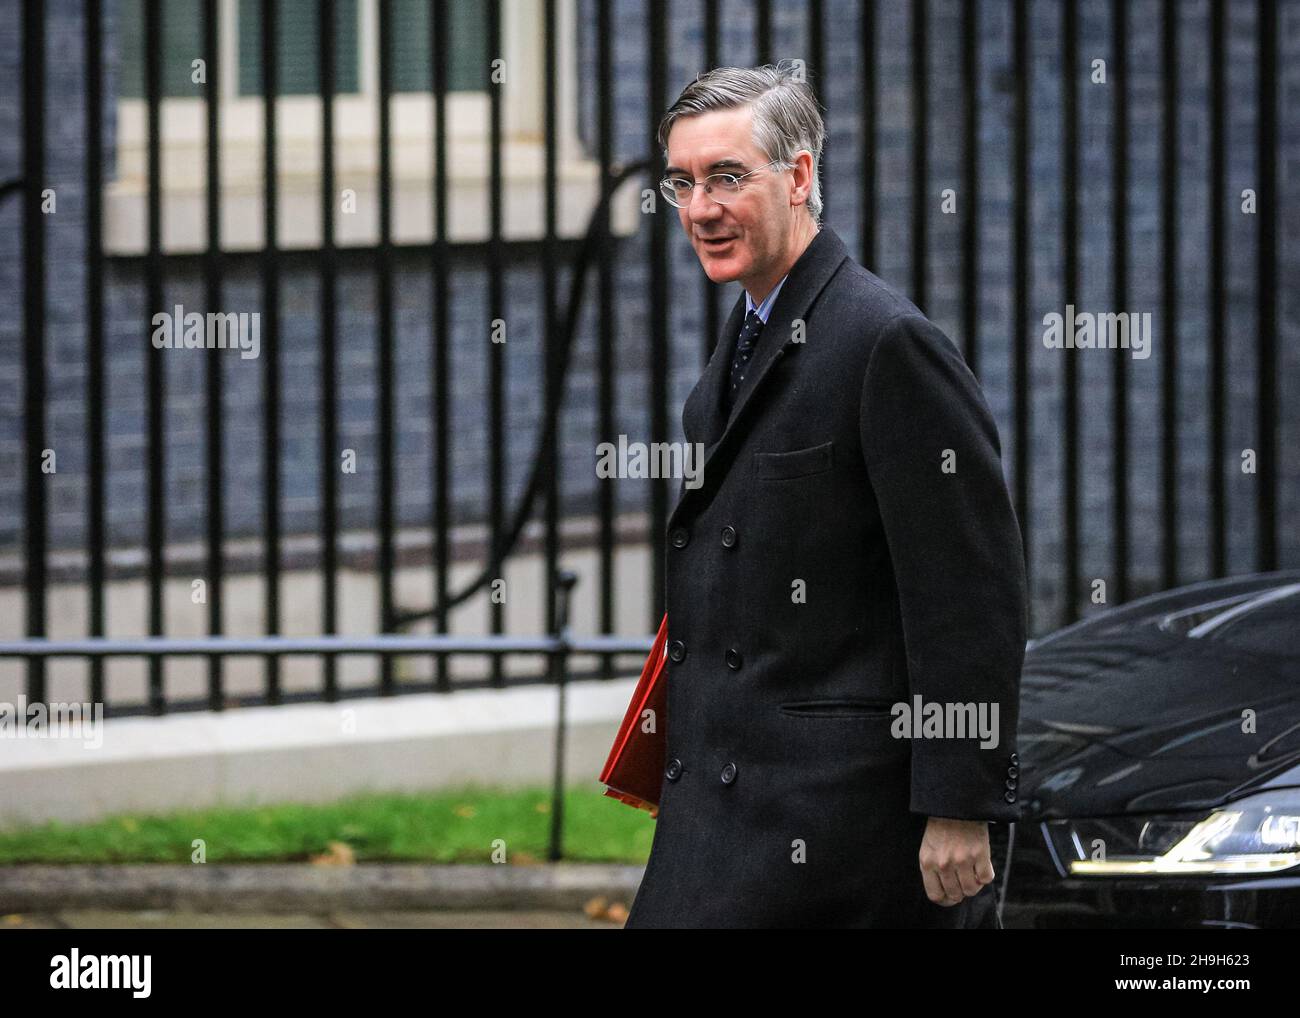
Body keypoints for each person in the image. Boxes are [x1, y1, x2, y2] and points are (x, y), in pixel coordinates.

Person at [623, 62, 1027, 929]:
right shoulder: (746, 338)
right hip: (732, 809)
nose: (699, 209)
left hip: (838, 828)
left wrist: (959, 804)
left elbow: (968, 593)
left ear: (800, 176)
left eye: (728, 177)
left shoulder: (886, 342)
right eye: (681, 183)